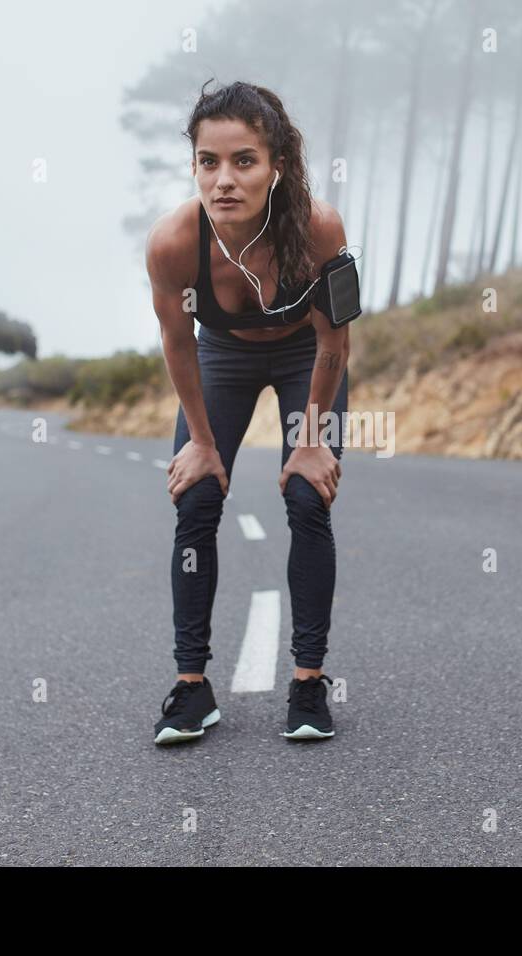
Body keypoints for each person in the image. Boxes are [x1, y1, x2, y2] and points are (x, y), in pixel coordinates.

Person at [144, 80, 353, 745]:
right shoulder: (174, 244)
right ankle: (190, 687)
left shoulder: (320, 228)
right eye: (209, 161)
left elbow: (335, 339)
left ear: (276, 166)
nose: (223, 179)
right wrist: (201, 442)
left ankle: (308, 683)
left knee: (305, 498)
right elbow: (179, 344)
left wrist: (314, 440)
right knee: (196, 496)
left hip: (305, 359)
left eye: (243, 161)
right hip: (223, 358)